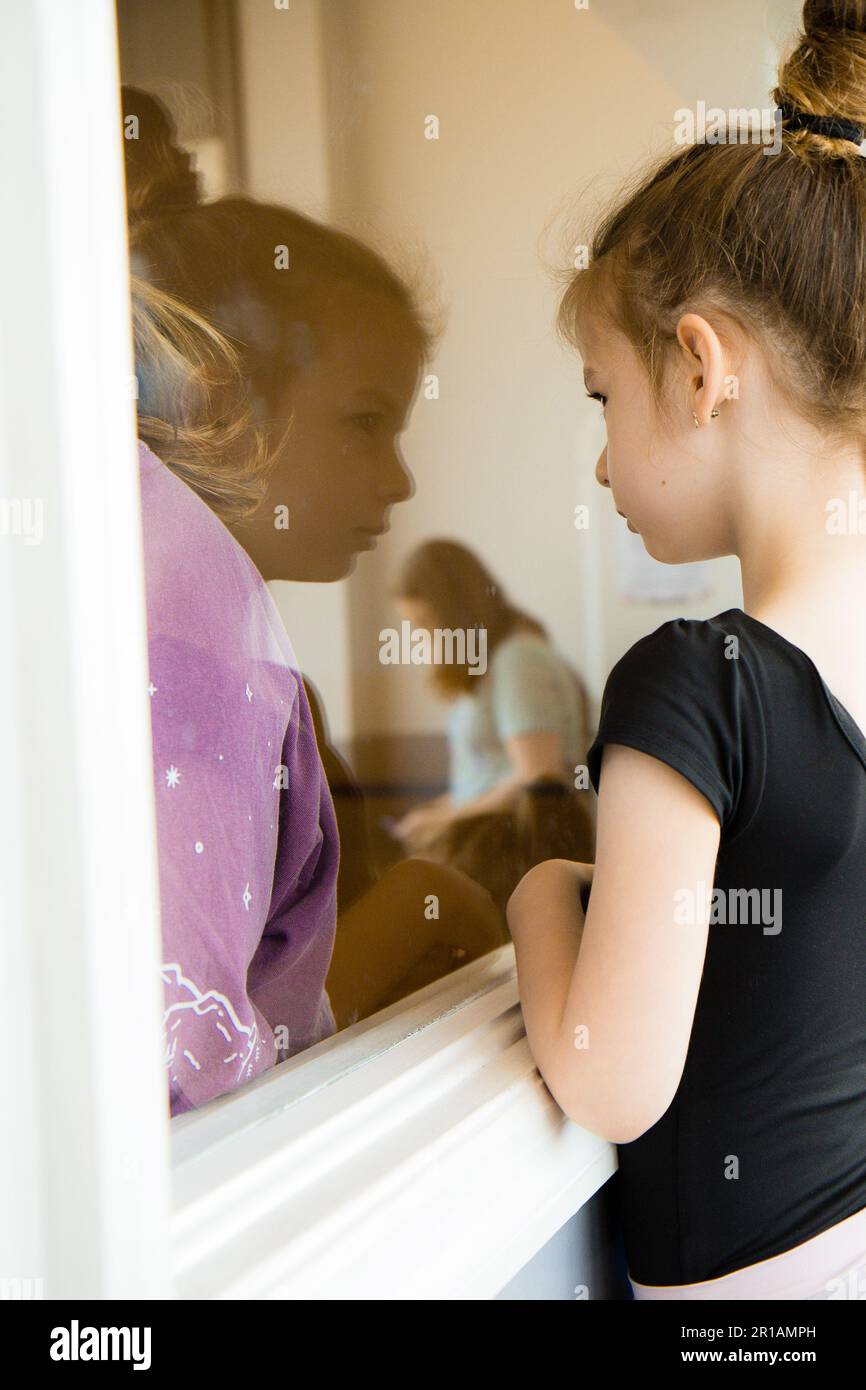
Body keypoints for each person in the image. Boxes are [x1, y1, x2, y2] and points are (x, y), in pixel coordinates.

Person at [507, 0, 866, 1300]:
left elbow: (605, 1071)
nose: (601, 457)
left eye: (603, 396)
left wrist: (541, 893)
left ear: (699, 365)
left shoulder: (693, 682)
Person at [124, 90, 503, 1099]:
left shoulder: (205, 637)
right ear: (217, 398)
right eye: (364, 421)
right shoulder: (191, 671)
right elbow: (185, 1073)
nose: (399, 480)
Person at [392, 540, 591, 853]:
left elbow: (538, 774)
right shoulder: (492, 663)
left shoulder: (519, 659)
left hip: (518, 852)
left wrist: (447, 821)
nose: (421, 637)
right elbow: (490, 776)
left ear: (455, 612)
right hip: (490, 841)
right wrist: (439, 813)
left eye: (425, 623)